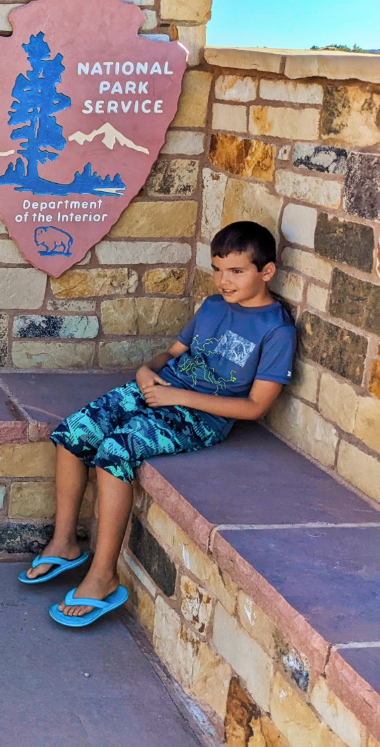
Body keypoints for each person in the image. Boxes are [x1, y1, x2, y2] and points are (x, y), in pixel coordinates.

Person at [20, 221, 296, 627]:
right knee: (75, 431)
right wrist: (147, 371)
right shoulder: (213, 307)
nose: (224, 280)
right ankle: (64, 544)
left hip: (202, 417)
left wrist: (176, 397)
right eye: (218, 269)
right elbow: (170, 353)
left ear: (266, 272)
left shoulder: (276, 330)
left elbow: (255, 407)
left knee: (115, 452)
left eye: (236, 271)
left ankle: (103, 576)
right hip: (163, 390)